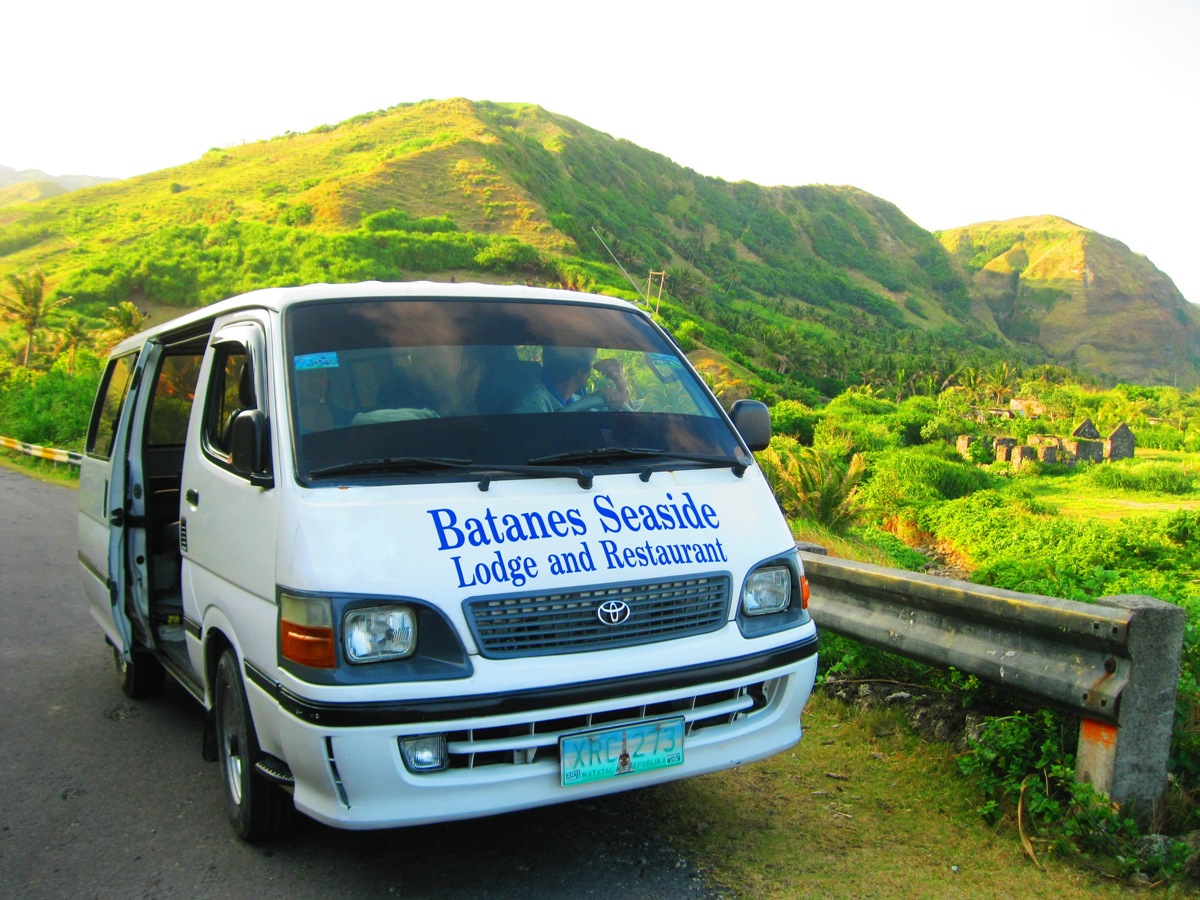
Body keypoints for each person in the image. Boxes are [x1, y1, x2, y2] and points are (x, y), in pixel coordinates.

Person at [514, 346, 628, 413]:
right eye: (590, 362)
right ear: (581, 371)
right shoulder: (534, 404)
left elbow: (625, 419)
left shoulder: (578, 400)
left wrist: (621, 385)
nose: (591, 368)